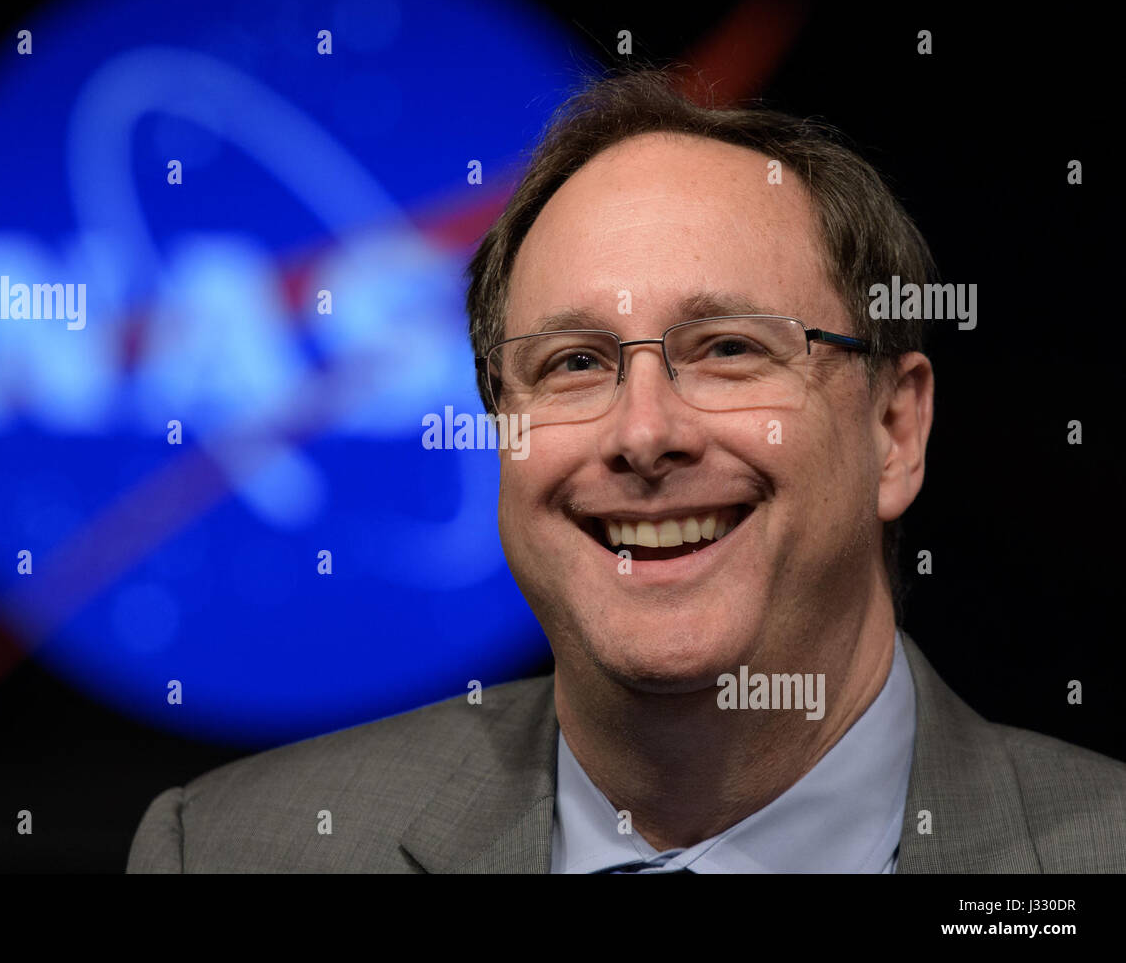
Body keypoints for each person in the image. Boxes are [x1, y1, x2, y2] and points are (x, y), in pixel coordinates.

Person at [127, 67, 1126, 873]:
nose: (643, 433)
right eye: (572, 365)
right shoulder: (229, 851)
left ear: (895, 430)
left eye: (729, 348)